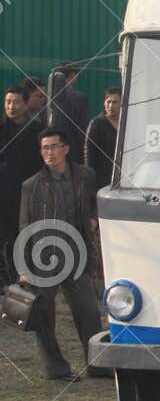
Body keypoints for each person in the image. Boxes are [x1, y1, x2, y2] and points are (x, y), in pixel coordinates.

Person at [16, 128, 106, 381]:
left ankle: (98, 365)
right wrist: (23, 268)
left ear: (65, 148)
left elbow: (94, 202)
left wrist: (93, 219)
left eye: (54, 147)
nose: (49, 153)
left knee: (88, 312)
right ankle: (56, 370)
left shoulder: (85, 176)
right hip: (43, 259)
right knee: (44, 317)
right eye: (45, 148)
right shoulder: (31, 185)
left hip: (77, 256)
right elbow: (24, 225)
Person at [1, 86, 43, 286]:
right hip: (2, 192)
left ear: (26, 104)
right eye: (8, 102)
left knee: (22, 236)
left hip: (25, 193)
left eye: (16, 102)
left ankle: (23, 278)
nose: (11, 106)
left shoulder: (35, 131)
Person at [47, 63, 91, 166]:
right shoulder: (79, 98)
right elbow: (83, 129)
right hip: (73, 149)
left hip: (50, 150)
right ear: (73, 75)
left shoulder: (46, 98)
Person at [86, 87, 121, 191]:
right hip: (102, 177)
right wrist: (91, 177)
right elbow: (88, 152)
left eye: (115, 102)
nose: (111, 106)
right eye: (108, 101)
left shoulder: (127, 122)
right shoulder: (97, 123)